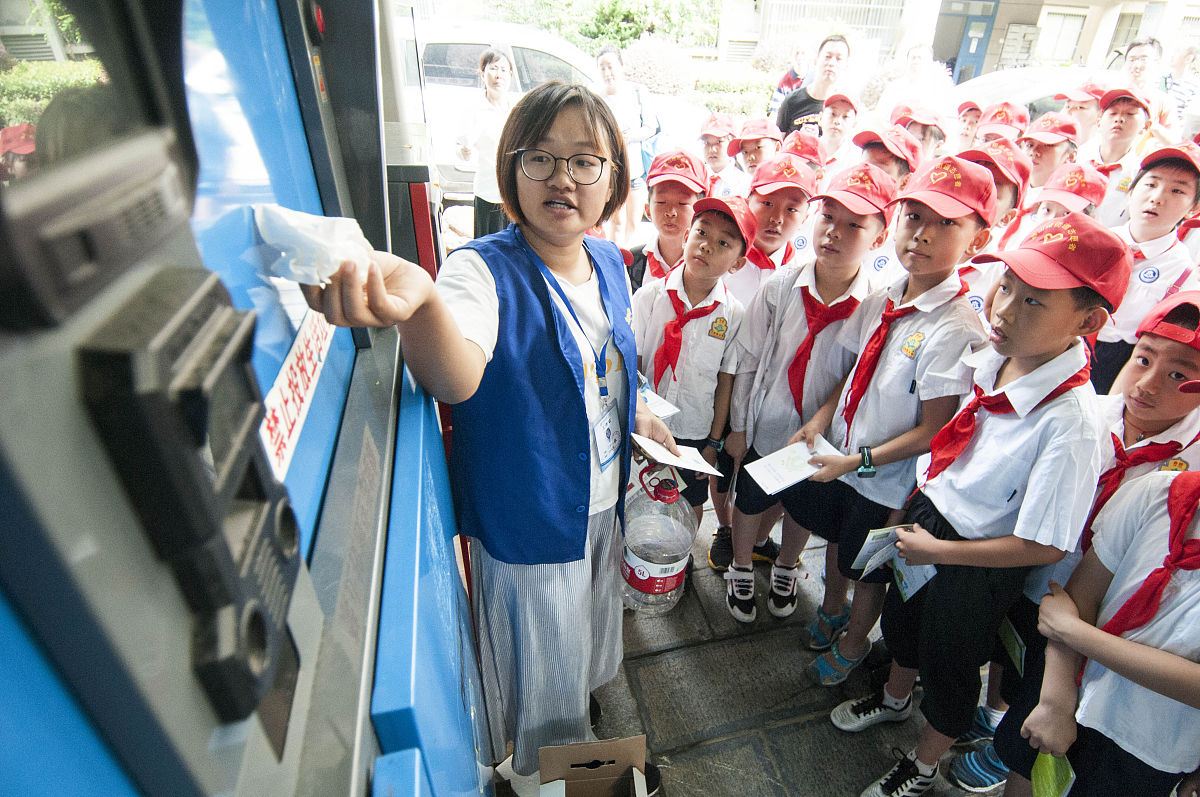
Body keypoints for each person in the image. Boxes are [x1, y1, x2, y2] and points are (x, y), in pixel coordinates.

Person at [298, 80, 674, 796]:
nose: (563, 177)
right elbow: (457, 374)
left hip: (600, 507)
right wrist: (421, 303)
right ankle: (551, 777)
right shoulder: (480, 269)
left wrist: (642, 414)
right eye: (541, 158)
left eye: (585, 161)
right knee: (544, 674)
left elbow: (610, 366)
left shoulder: (608, 262)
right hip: (532, 522)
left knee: (583, 647)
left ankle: (573, 736)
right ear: (511, 170)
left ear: (613, 179)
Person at [834, 212, 1129, 797]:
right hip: (928, 522)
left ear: (1089, 321)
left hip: (974, 560)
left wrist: (940, 551)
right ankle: (893, 697)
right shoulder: (997, 358)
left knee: (950, 662)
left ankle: (922, 764)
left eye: (1034, 301)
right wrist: (914, 519)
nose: (1004, 309)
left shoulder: (1070, 422)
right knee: (903, 624)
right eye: (1007, 287)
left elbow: (1044, 543)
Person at [956, 291, 1200, 794]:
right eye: (1143, 360)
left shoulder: (1187, 474)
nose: (1147, 385)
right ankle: (998, 720)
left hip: (1095, 616)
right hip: (1035, 577)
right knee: (1012, 658)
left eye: (1180, 375)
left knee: (1047, 692)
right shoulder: (1087, 413)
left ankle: (1012, 748)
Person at [795, 156, 994, 676]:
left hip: (884, 480)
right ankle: (831, 608)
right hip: (842, 456)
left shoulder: (955, 328)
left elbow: (934, 430)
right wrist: (820, 419)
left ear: (977, 240)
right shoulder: (884, 297)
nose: (921, 234)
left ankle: (855, 643)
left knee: (869, 569)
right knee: (836, 542)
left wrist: (856, 461)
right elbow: (853, 369)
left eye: (946, 224)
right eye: (914, 217)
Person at [721, 163, 895, 622]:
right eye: (828, 218)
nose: (833, 232)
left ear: (879, 237)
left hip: (823, 439)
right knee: (750, 499)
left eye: (854, 225)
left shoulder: (875, 304)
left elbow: (859, 373)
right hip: (767, 421)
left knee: (803, 507)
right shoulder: (781, 286)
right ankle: (741, 566)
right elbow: (748, 358)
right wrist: (738, 427)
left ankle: (786, 563)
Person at [1013, 467, 1200, 796]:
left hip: (1153, 744)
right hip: (1067, 686)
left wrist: (1075, 633)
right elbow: (1080, 597)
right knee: (1027, 779)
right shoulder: (1157, 494)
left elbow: (1066, 619)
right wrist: (1056, 699)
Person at [705, 153, 814, 571]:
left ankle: (756, 536)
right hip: (721, 388)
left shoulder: (804, 271)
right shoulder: (725, 259)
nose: (776, 218)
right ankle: (725, 528)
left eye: (791, 209)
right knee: (723, 469)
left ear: (805, 216)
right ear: (749, 199)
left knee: (771, 476)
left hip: (774, 400)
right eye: (767, 203)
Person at [633, 196, 754, 524]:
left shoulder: (734, 314)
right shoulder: (649, 297)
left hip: (694, 428)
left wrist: (713, 441)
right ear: (687, 236)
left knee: (690, 500)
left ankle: (682, 554)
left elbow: (725, 379)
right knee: (638, 491)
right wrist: (635, 415)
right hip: (646, 419)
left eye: (723, 243)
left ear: (737, 264)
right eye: (701, 232)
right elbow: (634, 363)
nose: (707, 246)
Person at [1093, 143, 1200, 393]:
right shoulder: (1095, 241)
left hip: (1117, 368)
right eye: (1151, 184)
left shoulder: (1183, 275)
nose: (1157, 198)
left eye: (1177, 190)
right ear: (1132, 190)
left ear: (1194, 208)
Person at [596, 46, 659, 247]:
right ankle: (616, 258)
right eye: (602, 68)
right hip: (612, 172)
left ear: (621, 67)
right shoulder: (597, 98)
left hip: (635, 170)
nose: (607, 72)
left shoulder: (637, 92)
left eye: (611, 66)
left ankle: (625, 258)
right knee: (617, 223)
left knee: (632, 223)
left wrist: (627, 137)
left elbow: (651, 126)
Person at [456, 48, 516, 239]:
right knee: (488, 247)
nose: (499, 75)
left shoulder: (517, 109)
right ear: (483, 74)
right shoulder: (474, 110)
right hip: (488, 193)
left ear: (510, 75)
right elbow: (460, 149)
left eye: (504, 70)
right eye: (493, 68)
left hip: (515, 194)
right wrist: (464, 152)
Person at [627, 150, 707, 291]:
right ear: (647, 209)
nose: (671, 212)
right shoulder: (632, 263)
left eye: (682, 203)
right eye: (661, 202)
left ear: (700, 212)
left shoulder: (710, 266)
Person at [1076, 88, 1151, 228]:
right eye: (1112, 113)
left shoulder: (1141, 175)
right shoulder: (1075, 158)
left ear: (1146, 126)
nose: (1119, 119)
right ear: (1099, 121)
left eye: (1130, 114)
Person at [776, 34, 851, 136]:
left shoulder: (846, 108)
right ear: (816, 60)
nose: (832, 63)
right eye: (827, 57)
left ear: (846, 66)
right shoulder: (792, 101)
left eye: (839, 59)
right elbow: (778, 141)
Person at [698, 112, 750, 198]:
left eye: (719, 142)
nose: (712, 149)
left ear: (732, 144)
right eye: (707, 143)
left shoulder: (744, 184)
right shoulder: (696, 178)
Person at [1054, 81, 1107, 146]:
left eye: (1079, 107)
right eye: (1068, 107)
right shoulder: (1054, 144)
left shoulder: (1104, 149)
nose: (1069, 112)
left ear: (1101, 114)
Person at [819, 92, 859, 175]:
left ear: (854, 124)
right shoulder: (805, 147)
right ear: (820, 117)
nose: (837, 121)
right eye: (833, 114)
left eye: (845, 117)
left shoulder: (855, 163)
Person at [768, 44, 811, 116]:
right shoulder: (784, 82)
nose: (800, 57)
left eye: (803, 53)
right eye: (797, 53)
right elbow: (774, 113)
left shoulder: (816, 78)